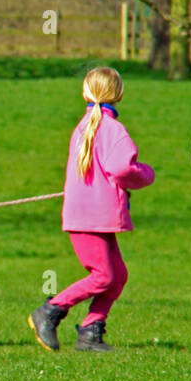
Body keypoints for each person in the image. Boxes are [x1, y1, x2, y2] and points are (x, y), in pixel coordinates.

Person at [29, 65, 155, 353]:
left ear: (84, 92)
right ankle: (50, 311)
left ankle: (90, 331)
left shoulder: (84, 125)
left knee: (117, 275)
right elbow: (121, 168)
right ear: (119, 94)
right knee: (104, 276)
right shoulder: (113, 129)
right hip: (93, 216)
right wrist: (146, 174)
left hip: (89, 215)